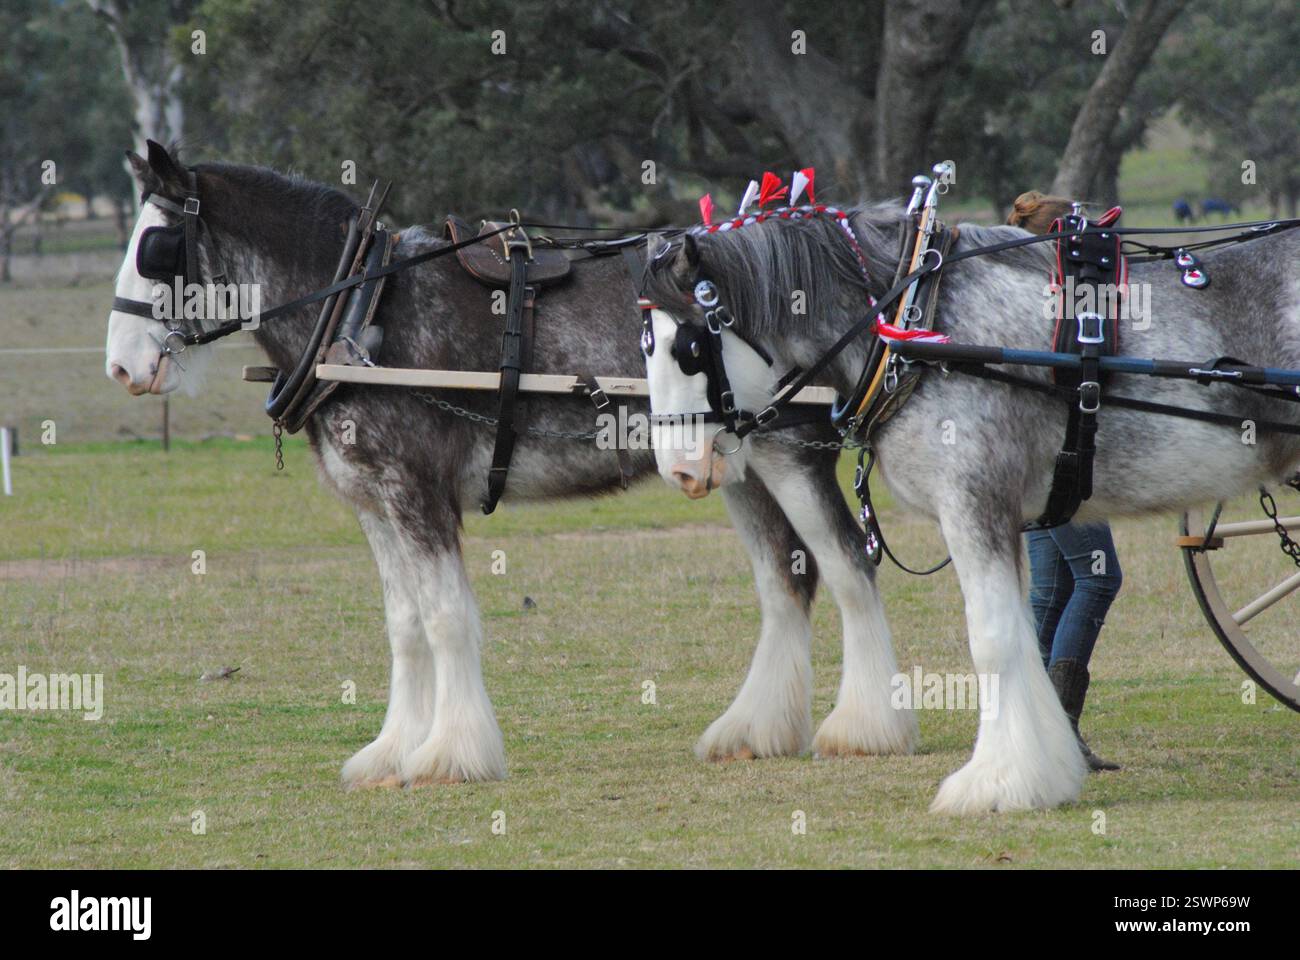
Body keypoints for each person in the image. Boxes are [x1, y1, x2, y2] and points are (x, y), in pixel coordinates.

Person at [1008, 191, 1122, 772]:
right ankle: (1060, 729)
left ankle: (1032, 727)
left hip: (1030, 468)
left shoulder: (1025, 298)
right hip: (1057, 469)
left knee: (1050, 594)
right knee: (1100, 581)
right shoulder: (1061, 302)